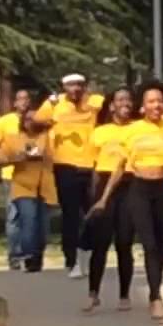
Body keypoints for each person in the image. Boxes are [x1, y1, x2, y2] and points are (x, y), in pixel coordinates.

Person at [89, 82, 163, 321]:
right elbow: (120, 167)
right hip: (138, 189)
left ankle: (155, 289)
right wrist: (103, 198)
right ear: (143, 106)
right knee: (149, 244)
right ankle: (156, 298)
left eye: (159, 101)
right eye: (150, 101)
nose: (156, 105)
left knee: (160, 244)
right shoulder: (132, 131)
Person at [35, 73, 103, 280]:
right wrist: (49, 108)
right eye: (71, 86)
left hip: (91, 164)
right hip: (64, 165)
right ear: (64, 88)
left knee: (93, 213)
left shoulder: (94, 102)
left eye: (79, 86)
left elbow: (113, 106)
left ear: (84, 87)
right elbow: (36, 121)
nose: (75, 90)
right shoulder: (55, 104)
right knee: (71, 215)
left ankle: (88, 253)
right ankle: (71, 259)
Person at [83, 87, 137, 313]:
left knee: (124, 242)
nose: (125, 103)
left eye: (128, 99)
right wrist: (93, 197)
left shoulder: (139, 129)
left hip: (130, 184)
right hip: (104, 184)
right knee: (100, 243)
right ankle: (93, 293)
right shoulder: (100, 132)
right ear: (112, 105)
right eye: (120, 99)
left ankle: (124, 295)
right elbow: (94, 168)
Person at [0, 94, 57, 273]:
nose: (30, 122)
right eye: (27, 119)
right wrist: (15, 158)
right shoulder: (14, 138)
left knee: (43, 226)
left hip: (45, 186)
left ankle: (38, 256)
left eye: (33, 119)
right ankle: (27, 256)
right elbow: (0, 159)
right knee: (28, 221)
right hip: (23, 186)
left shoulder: (47, 136)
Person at [0, 88, 33, 270]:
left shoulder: (35, 121)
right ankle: (14, 256)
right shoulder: (5, 122)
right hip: (11, 175)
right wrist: (1, 156)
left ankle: (30, 255)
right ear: (14, 103)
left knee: (30, 218)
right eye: (20, 99)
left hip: (32, 175)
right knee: (14, 217)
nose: (23, 102)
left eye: (26, 98)